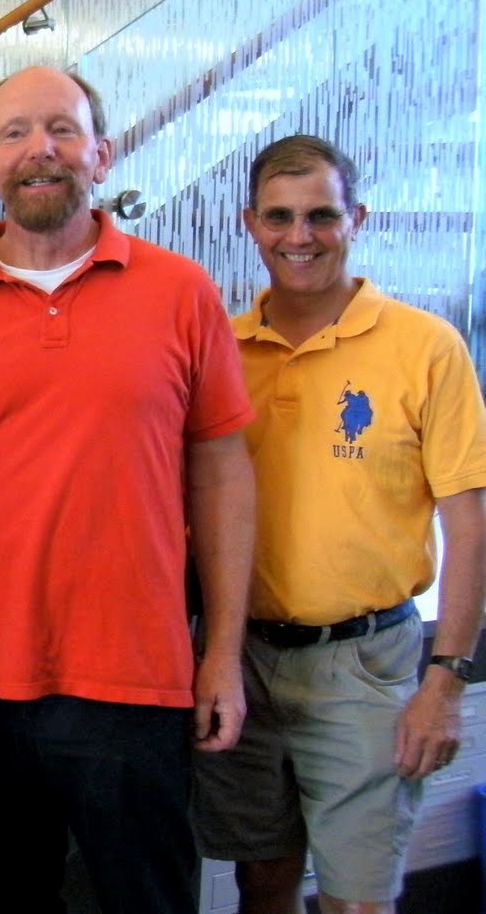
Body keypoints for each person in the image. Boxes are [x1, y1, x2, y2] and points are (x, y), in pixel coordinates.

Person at [0, 65, 257, 914]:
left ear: (102, 150)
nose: (40, 151)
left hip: (137, 684)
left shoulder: (182, 293)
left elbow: (223, 478)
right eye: (16, 133)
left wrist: (223, 655)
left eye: (61, 128)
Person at [192, 134, 486, 914]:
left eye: (321, 215)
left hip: (365, 665)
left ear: (356, 217)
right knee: (262, 880)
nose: (300, 237)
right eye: (280, 217)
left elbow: (470, 520)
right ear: (249, 222)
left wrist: (446, 681)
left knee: (359, 900)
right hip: (239, 656)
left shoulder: (427, 347)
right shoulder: (219, 344)